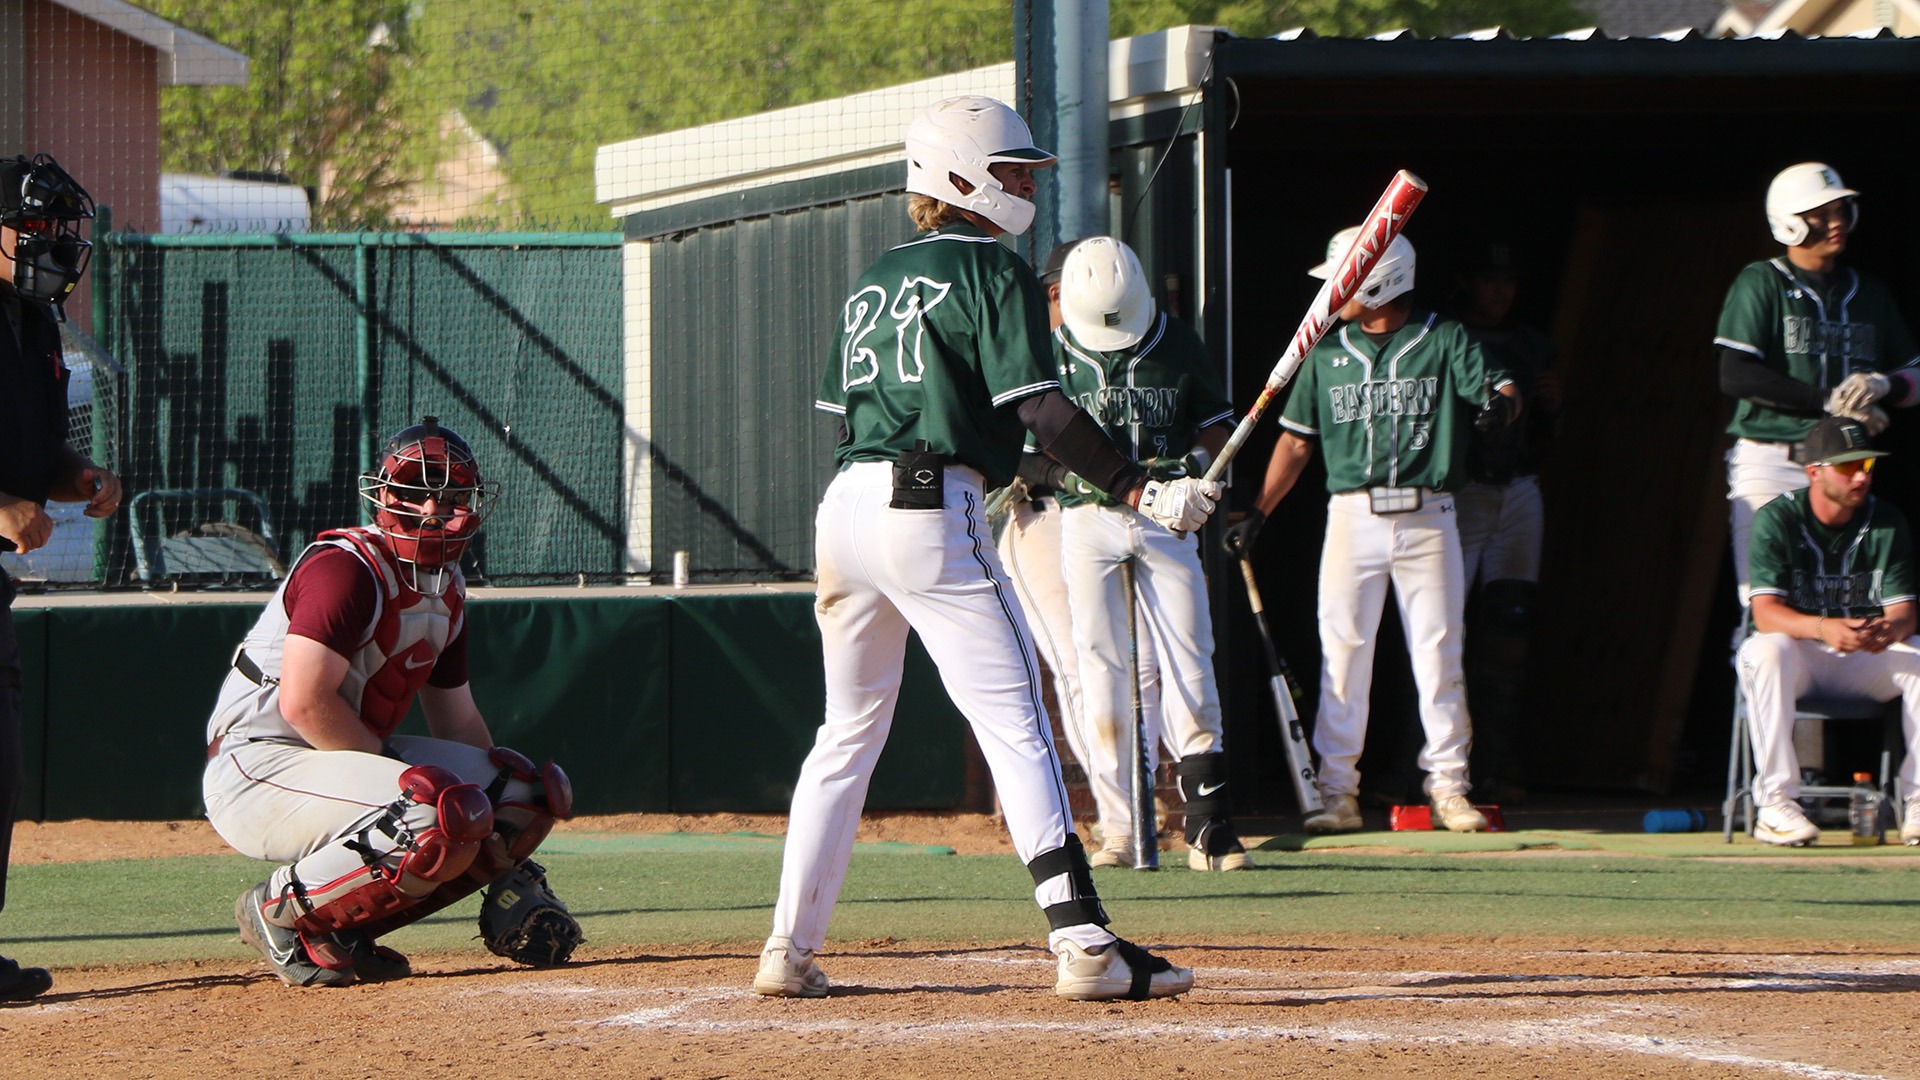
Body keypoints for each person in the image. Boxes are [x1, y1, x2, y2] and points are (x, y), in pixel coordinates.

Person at [757, 95, 1215, 1002]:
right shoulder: (992, 269)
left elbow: (892, 420)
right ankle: (1084, 943)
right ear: (960, 175)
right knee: (1018, 723)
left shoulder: (873, 277)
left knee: (845, 735)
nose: (1026, 187)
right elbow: (1040, 408)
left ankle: (787, 948)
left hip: (846, 510)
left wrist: (1082, 474)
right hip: (931, 511)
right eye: (1011, 171)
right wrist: (1138, 486)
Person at [203, 417, 583, 987]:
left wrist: (508, 854)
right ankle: (279, 911)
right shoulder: (346, 568)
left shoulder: (447, 586)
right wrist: (416, 786)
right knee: (431, 809)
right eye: (414, 493)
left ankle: (344, 930)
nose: (432, 511)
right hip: (258, 764)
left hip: (336, 761)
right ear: (383, 497)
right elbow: (305, 705)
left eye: (449, 498)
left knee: (524, 793)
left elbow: (457, 719)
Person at [1223, 226, 1518, 835]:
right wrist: (1259, 511)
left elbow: (1502, 386)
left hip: (1428, 512)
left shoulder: (1442, 336)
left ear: (1382, 282)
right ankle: (1338, 792)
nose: (1334, 294)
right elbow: (1296, 443)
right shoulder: (1326, 353)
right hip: (1353, 515)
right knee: (1343, 652)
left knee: (1439, 651)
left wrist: (1501, 406)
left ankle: (1449, 787)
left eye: (1346, 282)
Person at [1049, 236, 1250, 871]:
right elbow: (1024, 445)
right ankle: (1121, 828)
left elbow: (1217, 426)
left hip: (1165, 520)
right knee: (1099, 667)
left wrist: (1199, 471)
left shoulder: (1177, 341)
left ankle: (1208, 824)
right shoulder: (1051, 351)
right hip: (1086, 519)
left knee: (1190, 656)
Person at [997, 239, 1167, 868]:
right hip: (1039, 516)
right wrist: (1066, 473)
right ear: (1055, 293)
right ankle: (1122, 822)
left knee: (1144, 668)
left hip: (1117, 519)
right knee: (1079, 666)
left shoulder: (1123, 349)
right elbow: (1002, 453)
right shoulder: (1022, 351)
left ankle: (1141, 803)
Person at [1, 153, 122, 1003]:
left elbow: (37, 452)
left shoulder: (36, 323)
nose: (49, 243)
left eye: (56, 229)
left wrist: (79, 477)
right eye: (32, 226)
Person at [1717, 162, 1920, 604]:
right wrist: (1827, 400)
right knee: (1766, 608)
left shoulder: (1869, 291)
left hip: (1846, 469)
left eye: (1840, 210)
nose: (1836, 222)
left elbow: (1915, 376)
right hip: (1774, 458)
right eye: (1820, 214)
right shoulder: (1763, 282)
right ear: (1789, 221)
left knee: (1843, 606)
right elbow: (1735, 373)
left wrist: (1885, 385)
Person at [1738, 417, 1920, 846]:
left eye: (1866, 465)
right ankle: (1775, 803)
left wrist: (1888, 629)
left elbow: (1905, 613)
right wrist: (1822, 628)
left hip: (1862, 657)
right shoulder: (1778, 517)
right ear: (1814, 471)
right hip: (1801, 656)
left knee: (1917, 653)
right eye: (1847, 466)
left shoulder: (1886, 519)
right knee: (1764, 651)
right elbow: (1765, 614)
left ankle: (1917, 799)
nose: (1860, 476)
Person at [1450, 241, 1562, 803]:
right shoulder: (1444, 337)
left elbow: (1551, 430)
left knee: (1510, 622)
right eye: (1490, 279)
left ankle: (1495, 766)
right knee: (1441, 630)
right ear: (1467, 282)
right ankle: (1428, 770)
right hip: (1462, 491)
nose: (1500, 291)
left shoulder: (1531, 345)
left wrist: (1555, 403)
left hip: (1518, 487)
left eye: (1509, 281)